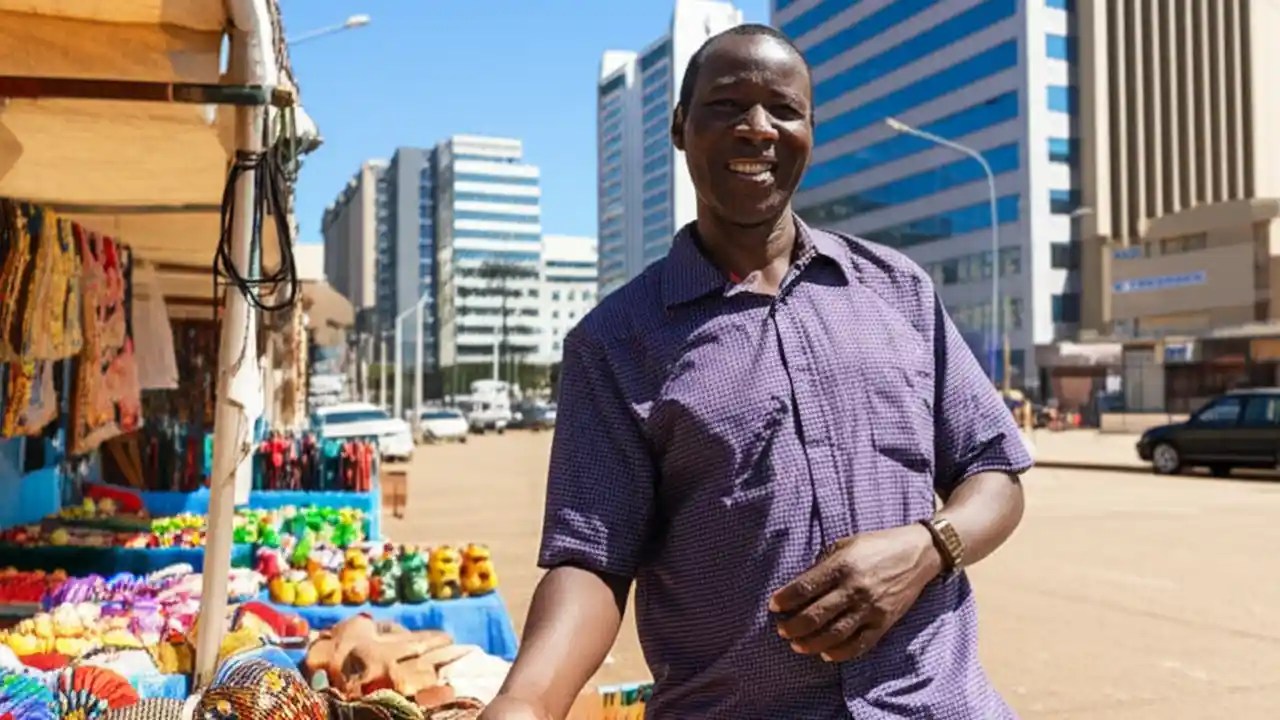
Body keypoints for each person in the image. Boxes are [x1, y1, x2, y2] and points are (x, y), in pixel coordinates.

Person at [481, 24, 1033, 720]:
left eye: (783, 109)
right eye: (727, 105)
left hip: (939, 705)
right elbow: (592, 560)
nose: (757, 129)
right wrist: (526, 701)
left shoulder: (898, 290)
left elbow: (995, 472)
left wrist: (926, 548)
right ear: (681, 127)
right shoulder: (615, 341)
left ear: (809, 130)